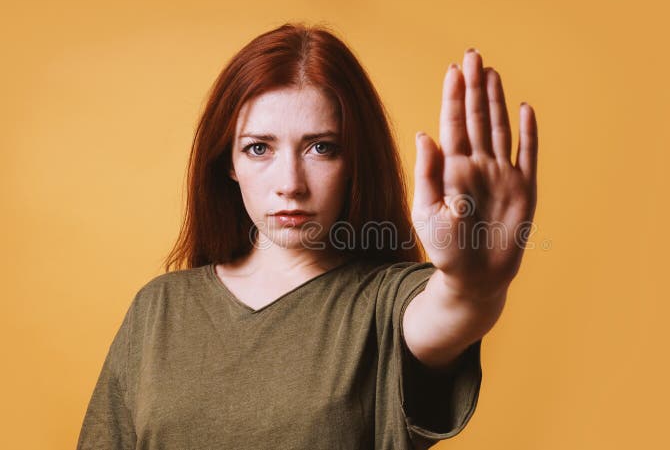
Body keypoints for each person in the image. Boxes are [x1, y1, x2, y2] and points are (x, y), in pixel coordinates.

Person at [77, 22, 538, 450]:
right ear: (228, 164)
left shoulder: (385, 303)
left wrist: (473, 285)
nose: (290, 183)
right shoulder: (158, 309)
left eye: (322, 148)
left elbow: (450, 311)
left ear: (355, 161)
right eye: (259, 148)